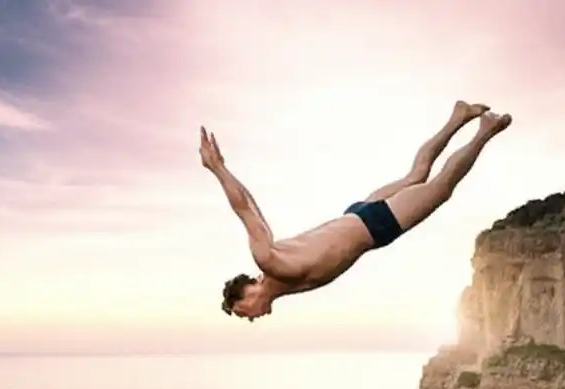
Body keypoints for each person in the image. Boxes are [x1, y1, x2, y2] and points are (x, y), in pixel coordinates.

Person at [201, 101, 512, 321]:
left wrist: (218, 169)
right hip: (360, 216)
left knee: (441, 188)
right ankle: (458, 116)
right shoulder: (279, 280)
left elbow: (246, 209)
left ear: (248, 292)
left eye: (245, 313)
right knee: (416, 176)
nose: (252, 319)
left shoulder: (269, 261)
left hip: (374, 224)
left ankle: (485, 129)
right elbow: (253, 207)